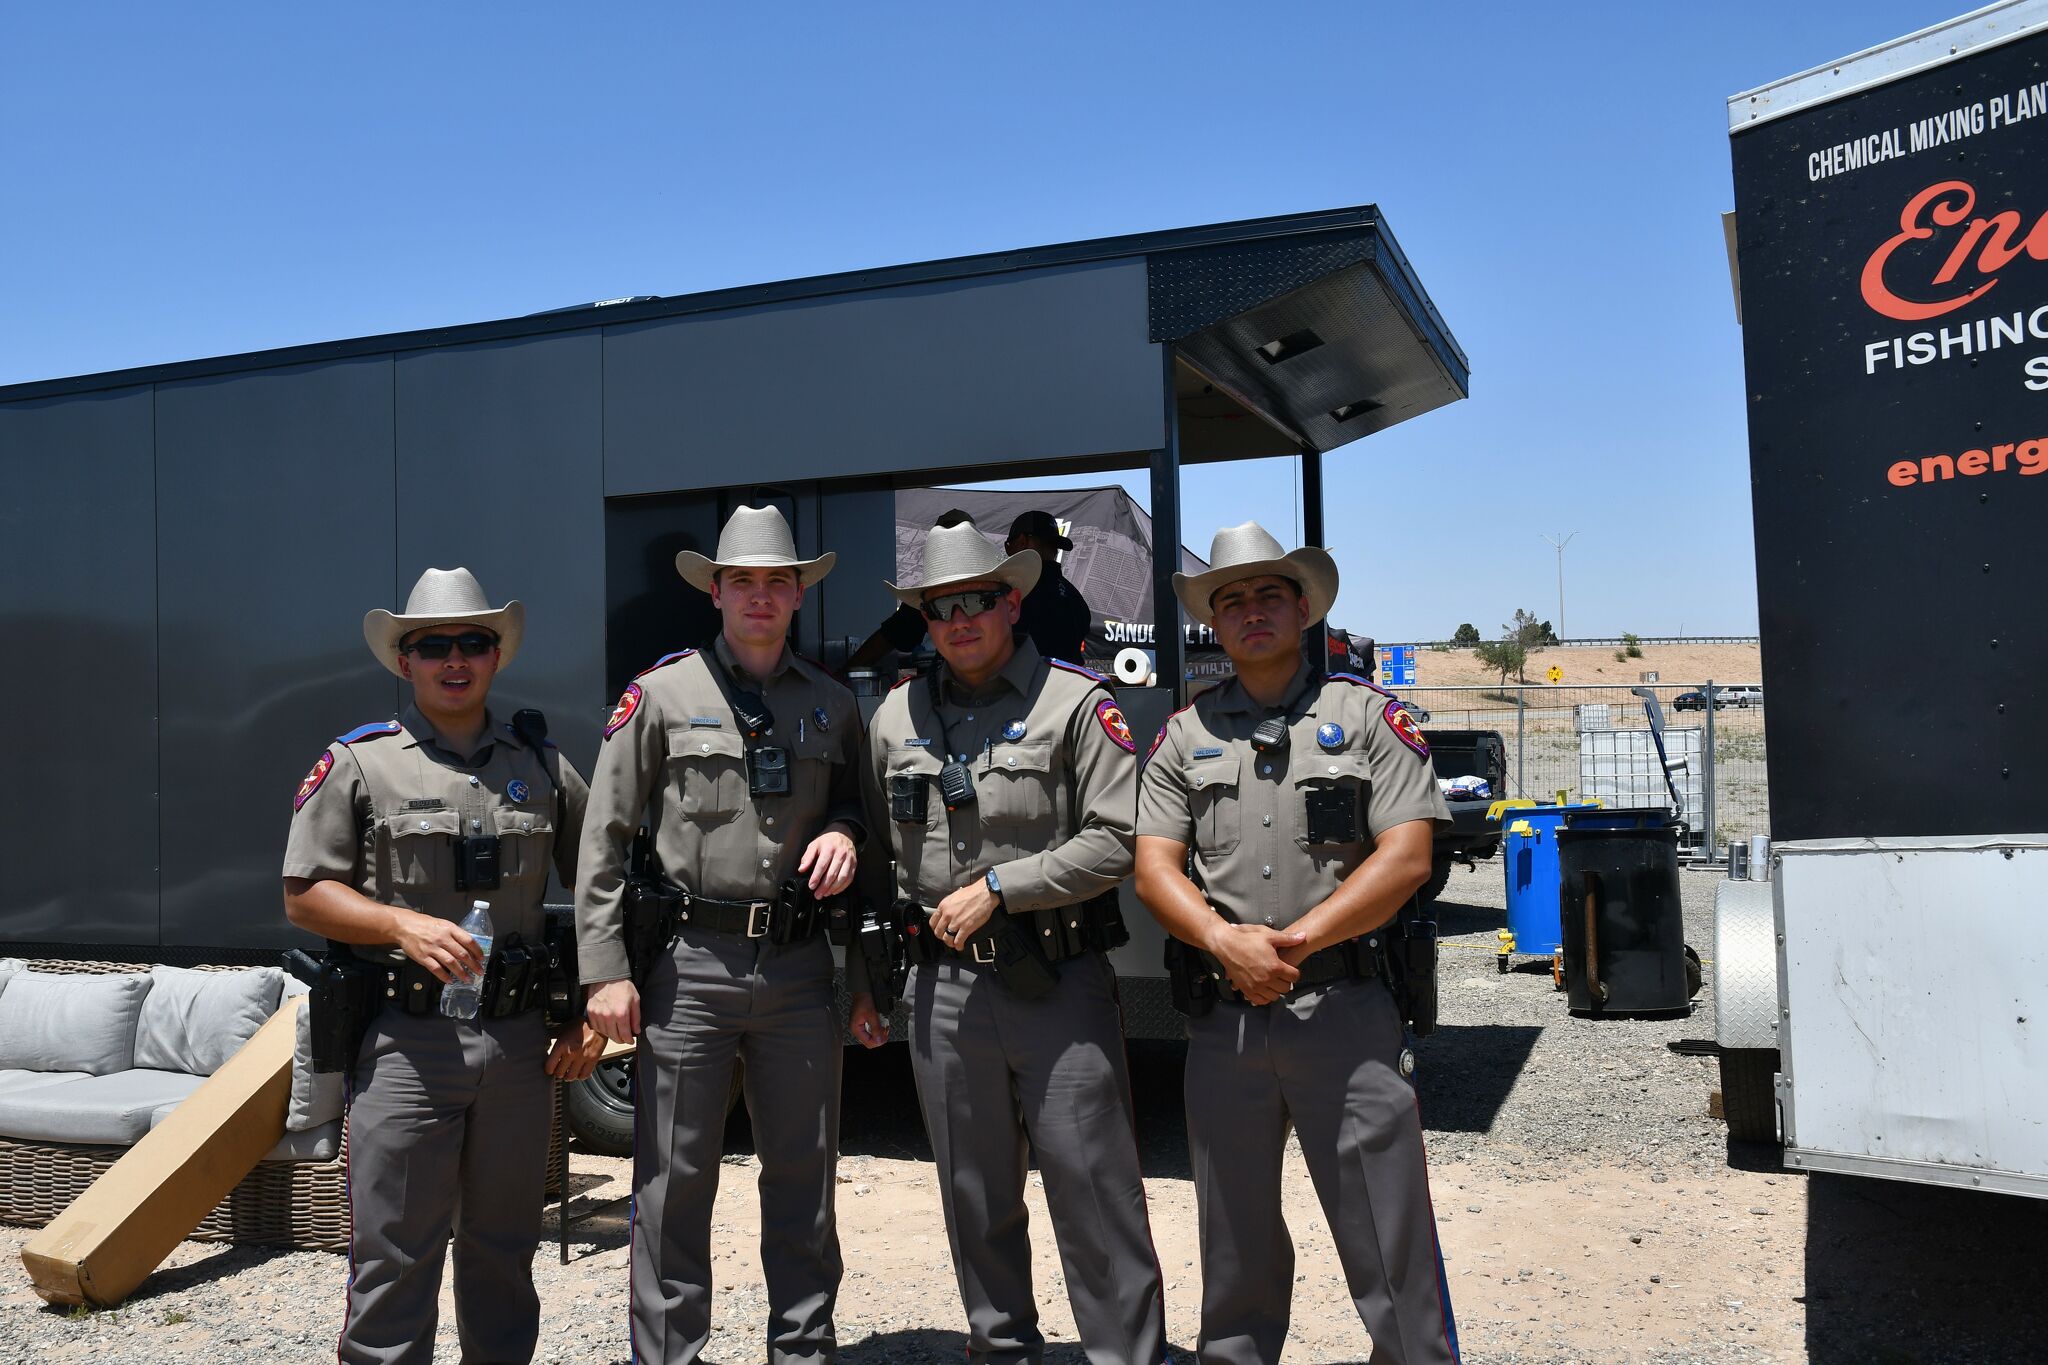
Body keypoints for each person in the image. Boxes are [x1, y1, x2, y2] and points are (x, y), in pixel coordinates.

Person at [1133, 523, 1460, 1365]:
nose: (1249, 612)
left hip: (1343, 1011)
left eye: (1267, 594)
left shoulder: (1369, 717)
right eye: (1230, 600)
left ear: (1305, 607)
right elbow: (1154, 868)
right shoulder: (1184, 735)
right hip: (1226, 1023)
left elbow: (1409, 854)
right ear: (1214, 620)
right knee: (1232, 1235)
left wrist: (1293, 943)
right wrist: (1218, 938)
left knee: (1388, 1235)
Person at [852, 516, 1167, 1365]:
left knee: (1093, 1186)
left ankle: (1125, 1353)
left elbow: (1115, 840)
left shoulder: (1076, 702)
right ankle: (1001, 1347)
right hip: (939, 992)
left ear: (1012, 599)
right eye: (939, 606)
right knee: (974, 1191)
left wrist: (1001, 887)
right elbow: (882, 853)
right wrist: (869, 980)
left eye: (977, 601)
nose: (959, 619)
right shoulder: (894, 717)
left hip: (1055, 981)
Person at [282, 566, 600, 1365]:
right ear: (404, 661)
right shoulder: (360, 764)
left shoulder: (545, 765)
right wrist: (399, 923)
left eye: (472, 642)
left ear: (497, 655)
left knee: (502, 1252)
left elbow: (605, 887)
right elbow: (304, 894)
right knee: (395, 1254)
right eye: (433, 645)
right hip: (407, 1043)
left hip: (521, 1045)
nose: (453, 658)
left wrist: (588, 1007)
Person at [576, 505, 866, 1365]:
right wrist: (604, 972)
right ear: (715, 591)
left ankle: (804, 1349)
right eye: (745, 580)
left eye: (780, 581)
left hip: (799, 965)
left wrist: (846, 829)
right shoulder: (659, 695)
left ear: (799, 594)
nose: (762, 596)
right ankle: (668, 1352)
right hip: (687, 963)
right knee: (674, 1177)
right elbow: (605, 837)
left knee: (805, 1177)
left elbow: (859, 805)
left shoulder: (833, 703)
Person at [1005, 509, 1092, 664]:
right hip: (1070, 684)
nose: (1008, 552)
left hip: (1031, 686)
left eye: (1008, 545)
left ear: (1023, 541)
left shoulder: (1014, 595)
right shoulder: (1076, 600)